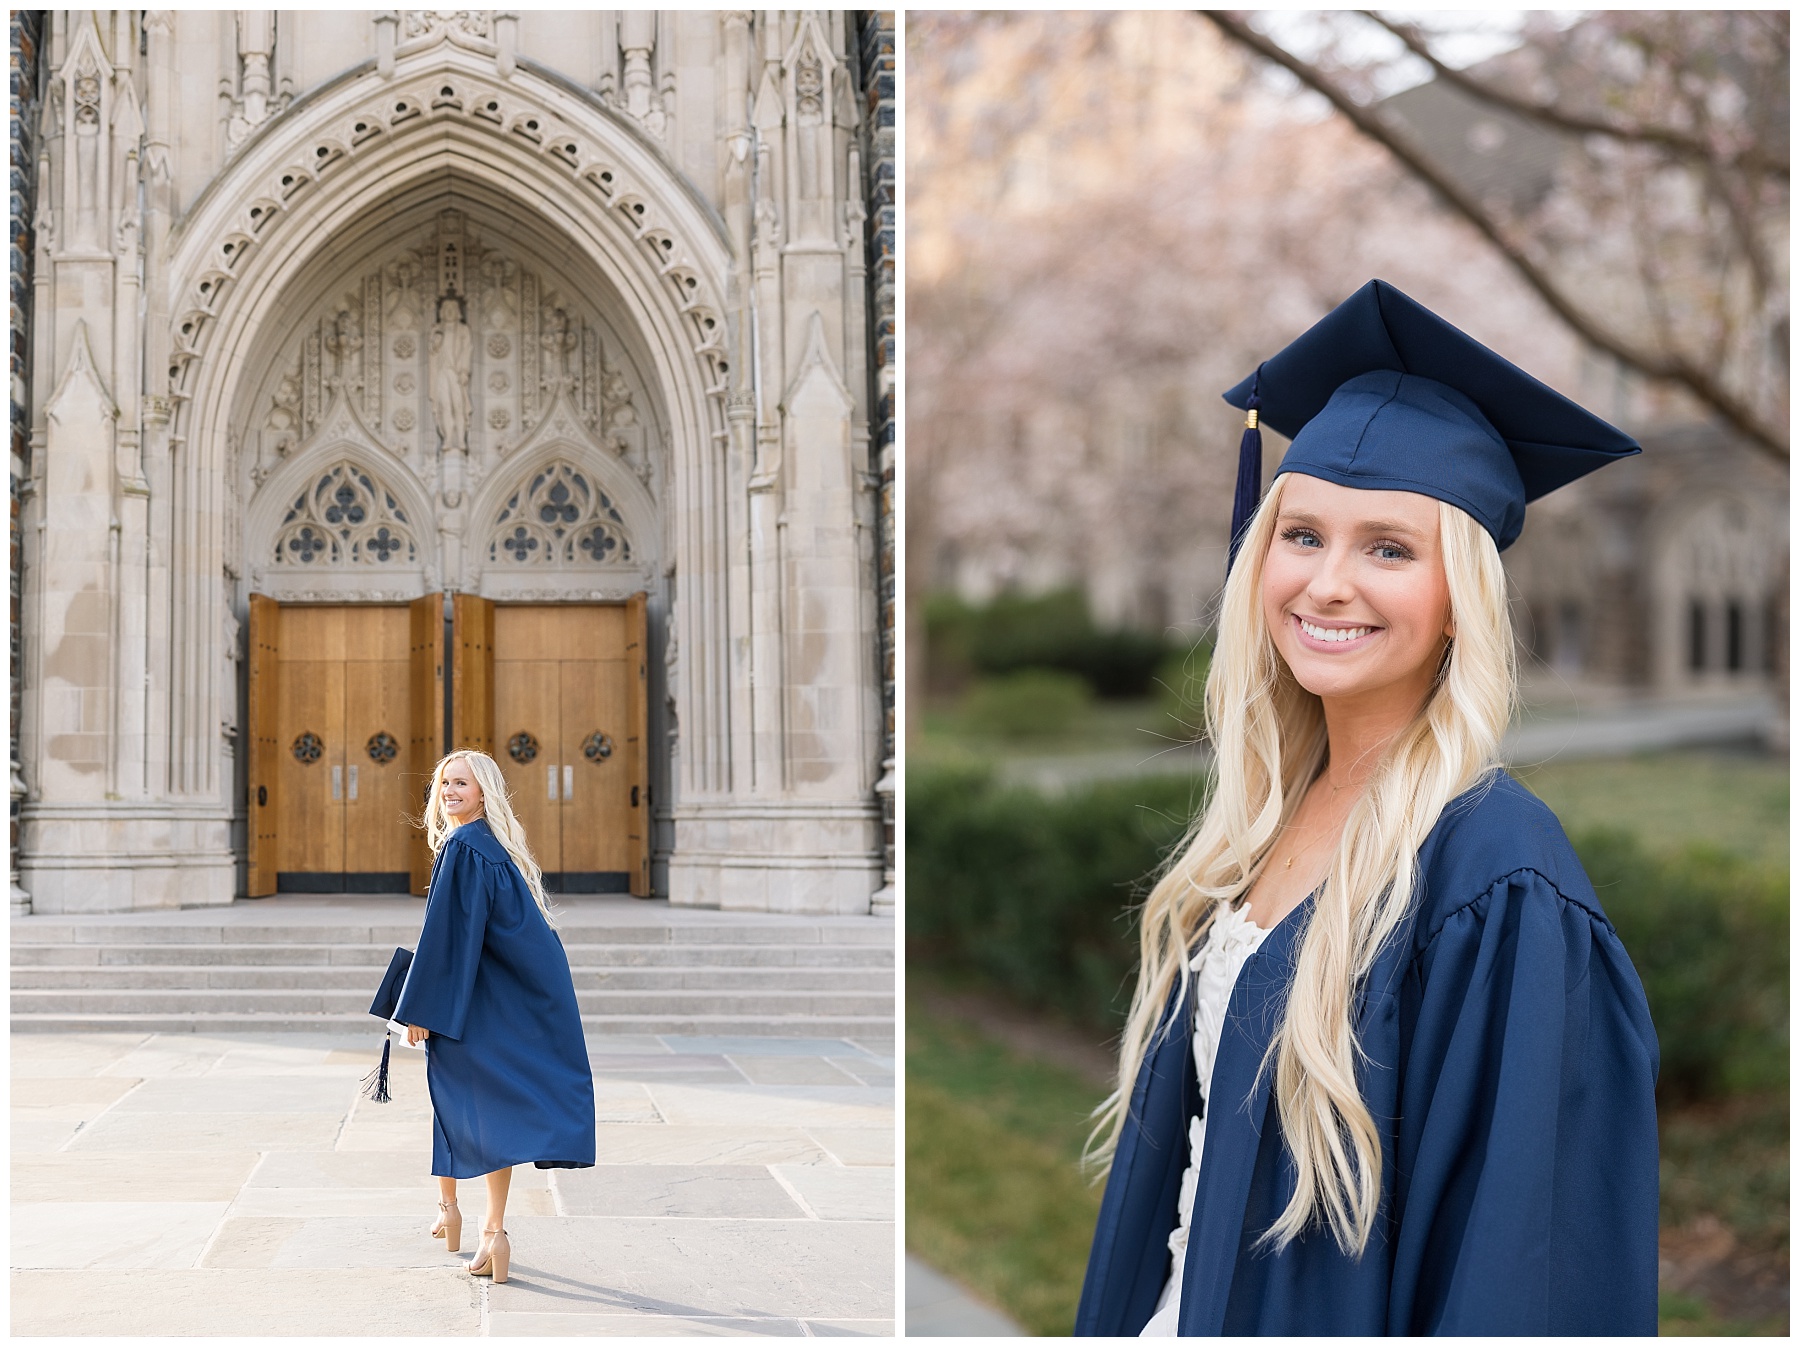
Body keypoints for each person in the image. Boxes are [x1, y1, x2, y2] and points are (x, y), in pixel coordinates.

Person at [1075, 280, 1661, 1336]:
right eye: (1302, 535)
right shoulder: (1258, 824)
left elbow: (1521, 1269)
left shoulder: (1497, 879)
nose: (1327, 583)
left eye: (1389, 548)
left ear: (1457, 603)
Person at [395, 749, 596, 1284]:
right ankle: (484, 1227)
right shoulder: (493, 844)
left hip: (480, 994)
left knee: (464, 1099)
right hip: (503, 990)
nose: (450, 792)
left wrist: (422, 1008)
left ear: (484, 791)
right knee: (477, 1103)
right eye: (443, 785)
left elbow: (447, 936)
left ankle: (463, 1217)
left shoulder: (465, 845)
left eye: (461, 783)